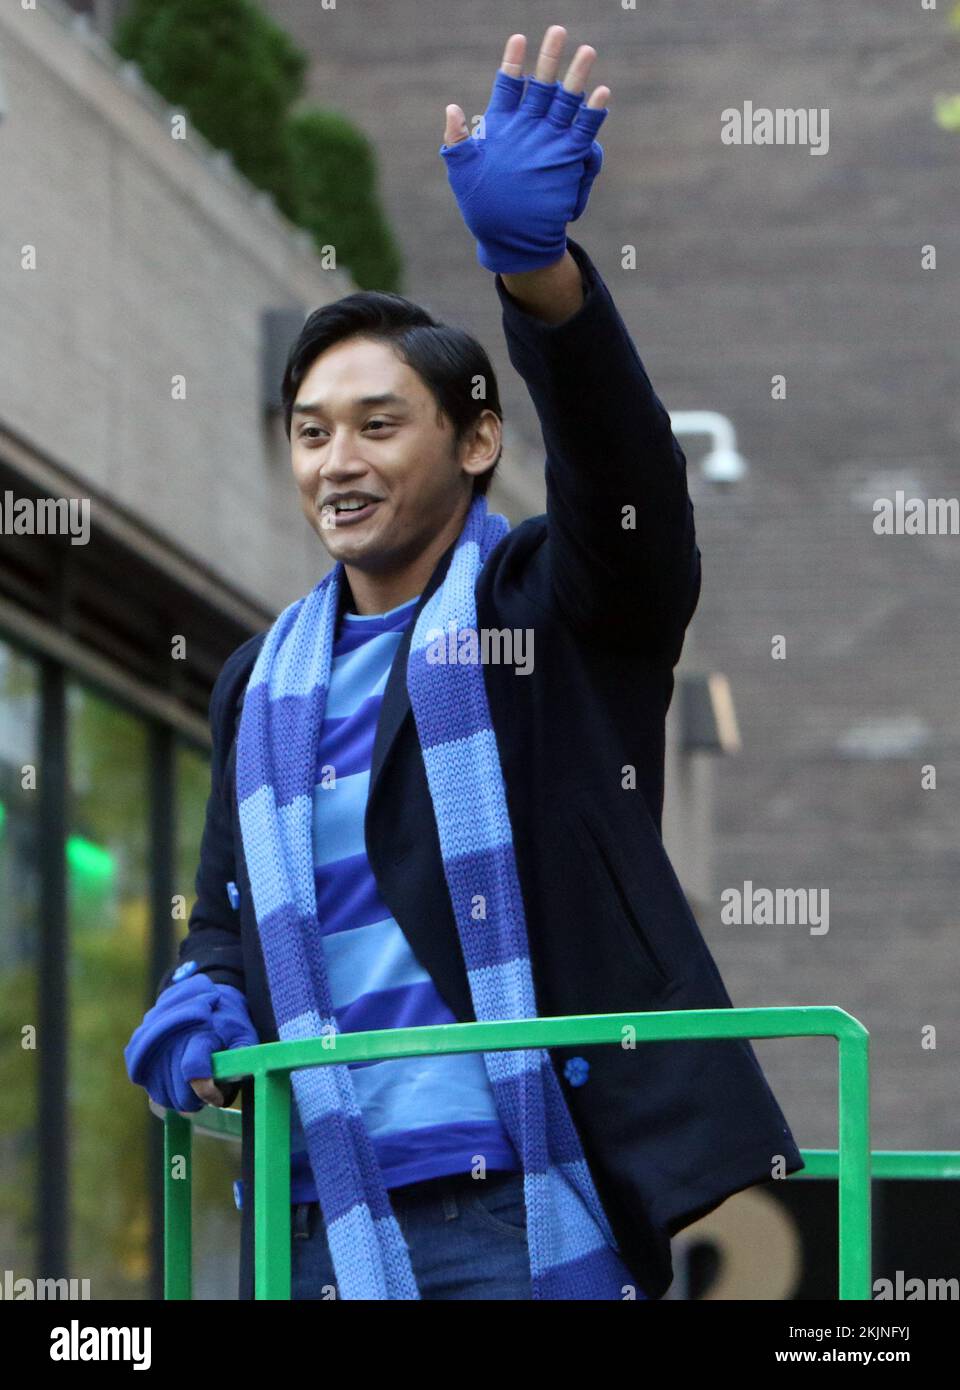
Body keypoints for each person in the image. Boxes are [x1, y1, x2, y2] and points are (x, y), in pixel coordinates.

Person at [125, 24, 804, 1301]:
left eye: (380, 425)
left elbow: (636, 502)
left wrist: (540, 279)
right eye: (310, 432)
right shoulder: (258, 685)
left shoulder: (551, 613)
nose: (338, 462)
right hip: (324, 1222)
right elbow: (225, 924)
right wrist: (200, 1004)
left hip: (522, 1217)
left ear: (478, 440)